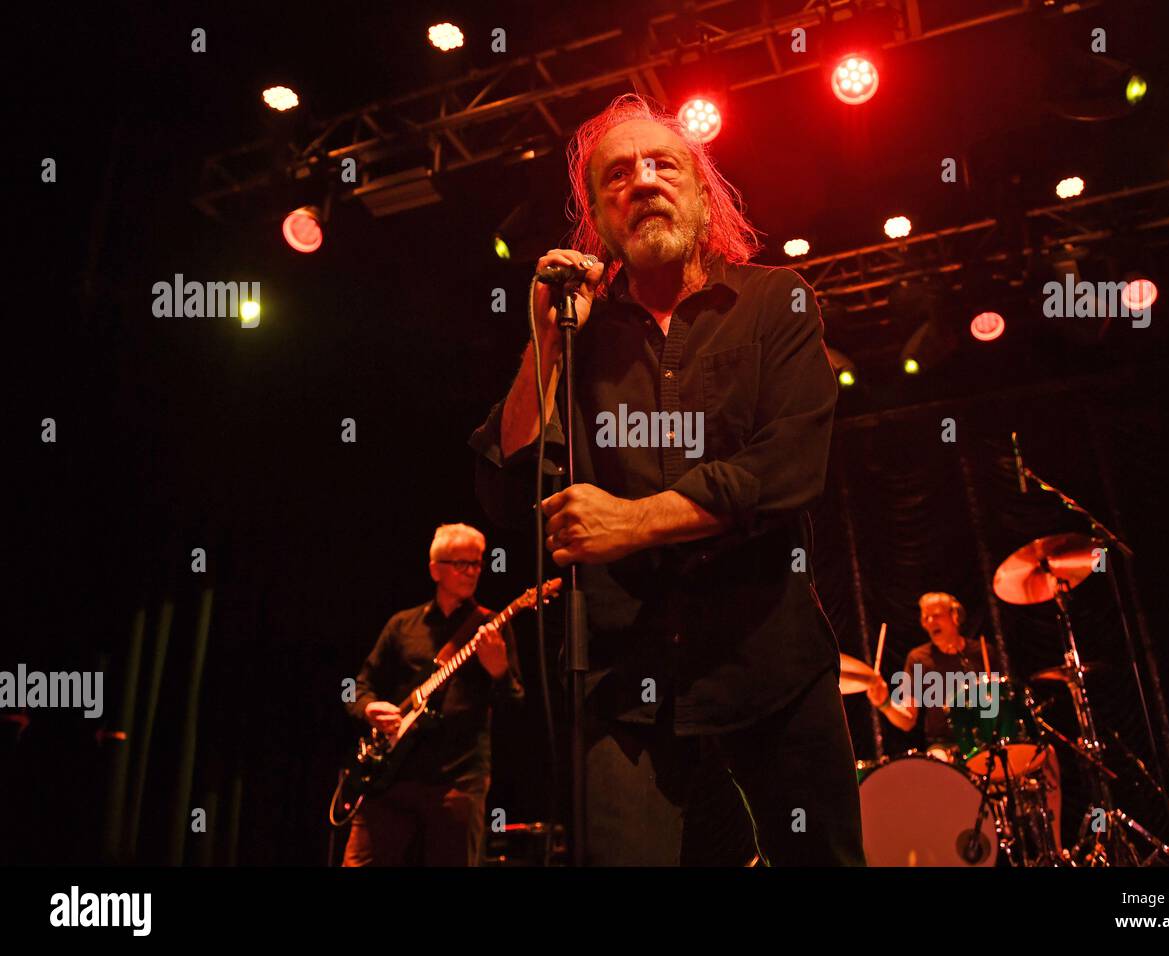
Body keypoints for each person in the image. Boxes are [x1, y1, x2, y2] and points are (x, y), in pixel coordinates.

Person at [470, 93, 863, 865]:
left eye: (662, 165)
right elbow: (507, 490)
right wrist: (544, 344)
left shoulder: (774, 302)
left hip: (770, 662)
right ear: (597, 218)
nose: (642, 182)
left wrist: (632, 521)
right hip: (626, 679)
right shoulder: (579, 334)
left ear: (701, 190)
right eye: (616, 176)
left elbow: (785, 469)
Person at [343, 523, 524, 866]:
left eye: (477, 563)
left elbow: (515, 704)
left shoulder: (492, 627)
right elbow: (357, 687)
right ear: (435, 569)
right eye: (461, 563)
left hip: (458, 780)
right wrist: (369, 709)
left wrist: (499, 669)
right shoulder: (402, 625)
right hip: (391, 775)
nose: (472, 572)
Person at [860, 592, 1062, 854]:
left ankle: (1054, 851)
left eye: (936, 615)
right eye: (925, 617)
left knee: (1047, 758)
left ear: (955, 617)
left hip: (990, 746)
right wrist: (885, 702)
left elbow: (1003, 706)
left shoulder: (983, 653)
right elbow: (907, 720)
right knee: (936, 769)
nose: (929, 621)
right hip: (945, 747)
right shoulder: (918, 659)